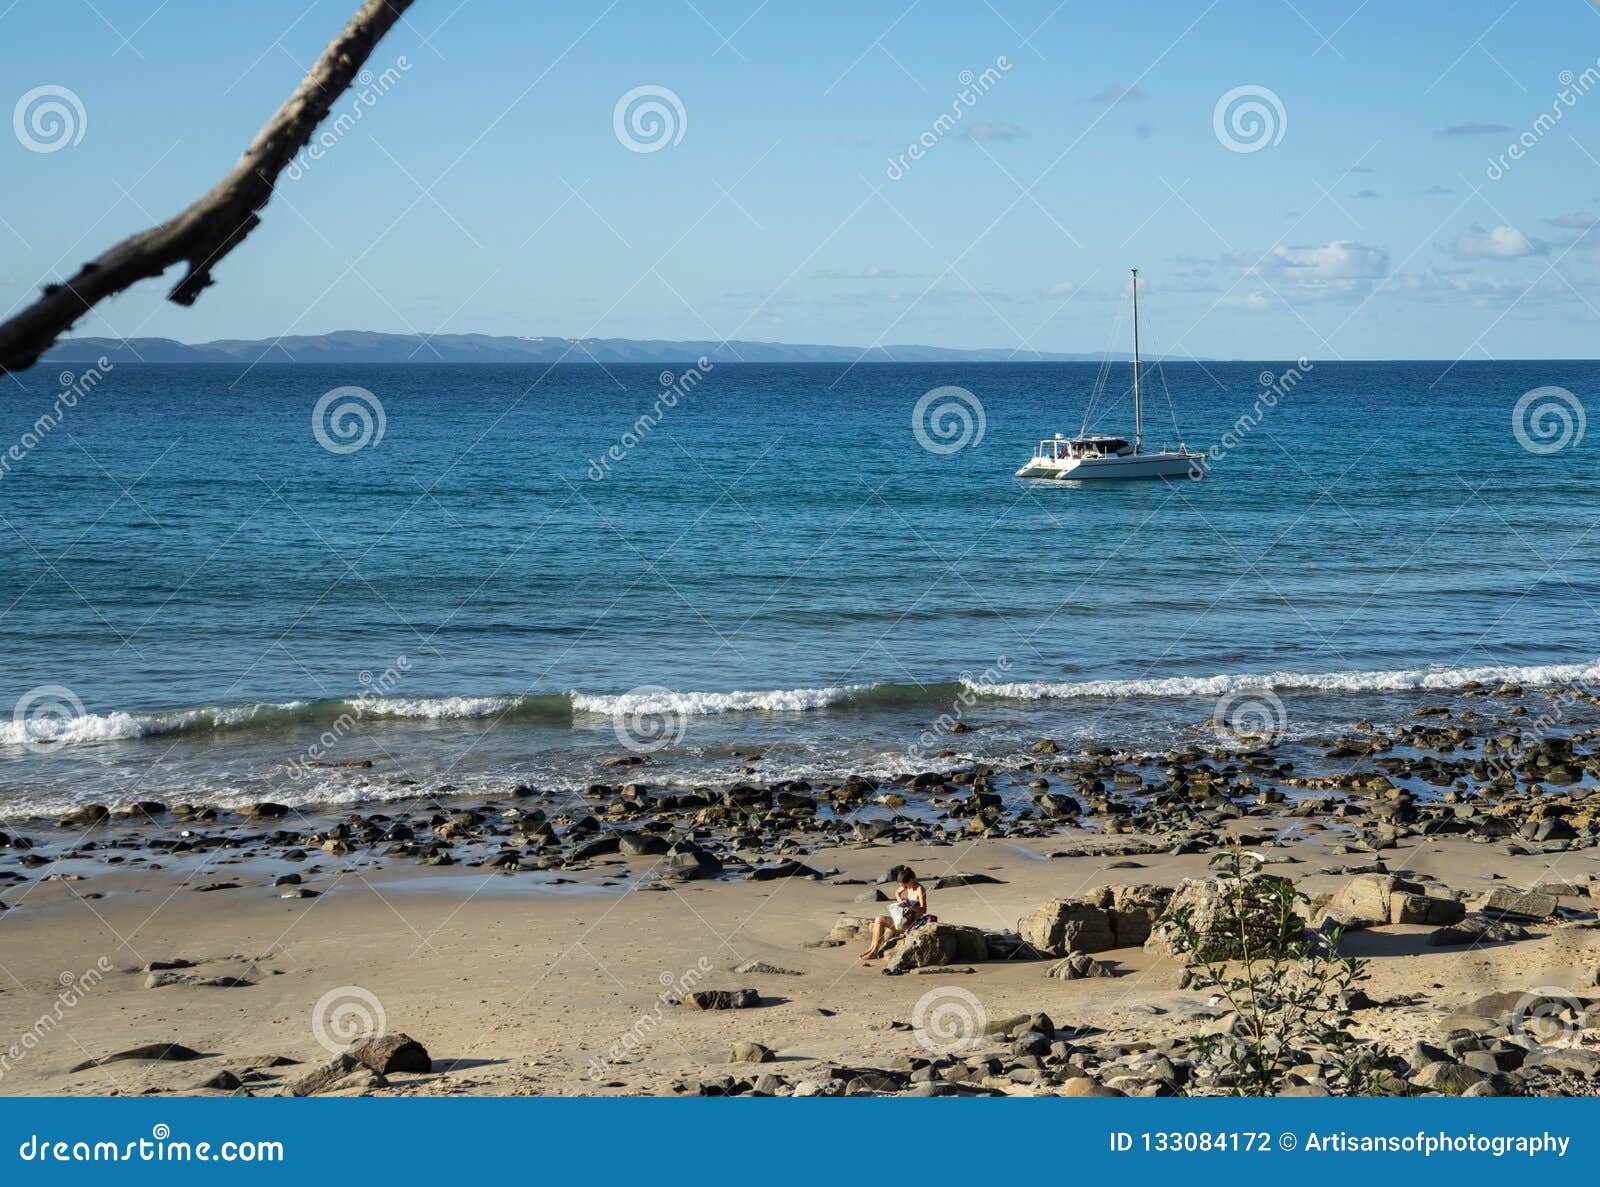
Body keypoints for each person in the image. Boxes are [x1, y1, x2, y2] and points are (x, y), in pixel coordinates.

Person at [860, 867, 927, 960]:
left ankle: (874, 952)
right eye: (903, 886)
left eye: (905, 885)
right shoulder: (907, 886)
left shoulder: (920, 889)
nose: (904, 888)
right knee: (878, 919)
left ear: (911, 880)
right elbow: (897, 893)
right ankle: (872, 949)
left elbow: (924, 910)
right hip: (903, 921)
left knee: (880, 920)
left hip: (911, 926)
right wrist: (900, 901)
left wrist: (909, 906)